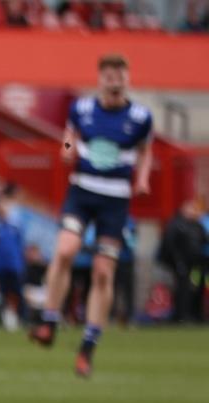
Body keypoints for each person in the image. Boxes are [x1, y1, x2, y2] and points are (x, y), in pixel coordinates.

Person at [29, 54, 154, 378]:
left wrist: (142, 179)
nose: (114, 81)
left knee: (102, 272)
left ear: (127, 78)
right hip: (82, 192)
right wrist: (67, 150)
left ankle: (87, 347)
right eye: (108, 75)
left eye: (119, 75)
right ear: (100, 79)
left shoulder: (140, 117)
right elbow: (69, 135)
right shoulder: (82, 108)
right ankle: (49, 320)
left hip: (115, 200)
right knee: (65, 249)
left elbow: (145, 150)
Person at [158, 199, 207, 323]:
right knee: (182, 288)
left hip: (196, 265)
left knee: (196, 288)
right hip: (181, 263)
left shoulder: (198, 226)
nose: (193, 211)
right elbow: (169, 245)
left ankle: (195, 314)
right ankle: (181, 315)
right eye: (191, 208)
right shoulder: (177, 224)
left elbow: (204, 241)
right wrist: (176, 261)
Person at [0, 193, 26, 331]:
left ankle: (22, 317)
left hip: (15, 264)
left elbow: (21, 244)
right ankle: (1, 318)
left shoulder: (15, 225)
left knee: (17, 292)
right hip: (0, 265)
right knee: (2, 293)